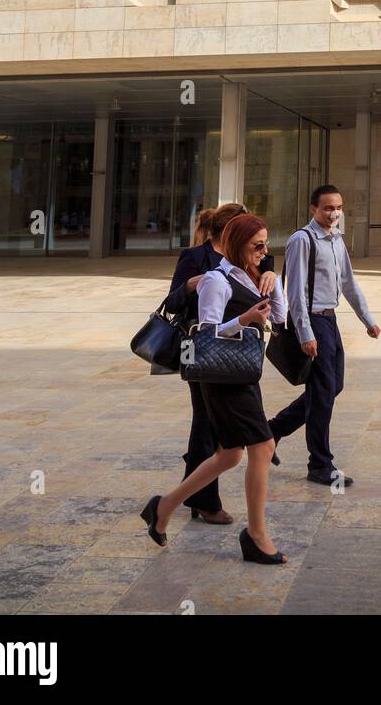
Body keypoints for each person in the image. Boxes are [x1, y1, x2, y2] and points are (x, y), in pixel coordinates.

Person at [142, 213, 288, 564]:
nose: (264, 251)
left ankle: (162, 507)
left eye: (267, 244)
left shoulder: (252, 278)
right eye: (258, 245)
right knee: (263, 446)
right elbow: (206, 333)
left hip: (242, 376)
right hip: (221, 378)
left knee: (230, 454)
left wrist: (274, 280)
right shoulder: (215, 280)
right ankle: (256, 535)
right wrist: (245, 319)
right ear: (238, 244)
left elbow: (281, 320)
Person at [163, 202, 276, 524]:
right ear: (232, 232)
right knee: (205, 427)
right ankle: (204, 501)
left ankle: (175, 502)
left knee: (225, 442)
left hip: (239, 357)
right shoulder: (196, 258)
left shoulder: (254, 256)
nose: (262, 248)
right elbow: (172, 302)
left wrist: (269, 274)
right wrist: (190, 284)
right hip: (204, 352)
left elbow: (268, 297)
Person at [268, 185, 380, 487]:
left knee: (332, 387)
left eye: (338, 207)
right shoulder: (301, 241)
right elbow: (296, 292)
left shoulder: (336, 240)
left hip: (330, 321)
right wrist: (305, 333)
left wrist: (367, 319)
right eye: (328, 208)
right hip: (313, 323)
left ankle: (273, 430)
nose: (334, 213)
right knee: (322, 395)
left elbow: (348, 283)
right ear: (313, 209)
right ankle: (320, 464)